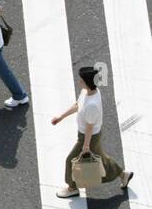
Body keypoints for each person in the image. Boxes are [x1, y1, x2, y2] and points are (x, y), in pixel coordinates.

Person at [52, 66, 133, 199]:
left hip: (88, 137)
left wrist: (85, 146)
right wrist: (61, 117)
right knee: (101, 157)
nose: (79, 82)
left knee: (70, 160)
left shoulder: (92, 105)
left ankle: (72, 188)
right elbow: (77, 104)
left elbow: (90, 126)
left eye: (81, 80)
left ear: (87, 83)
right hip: (87, 135)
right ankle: (123, 174)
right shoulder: (87, 92)